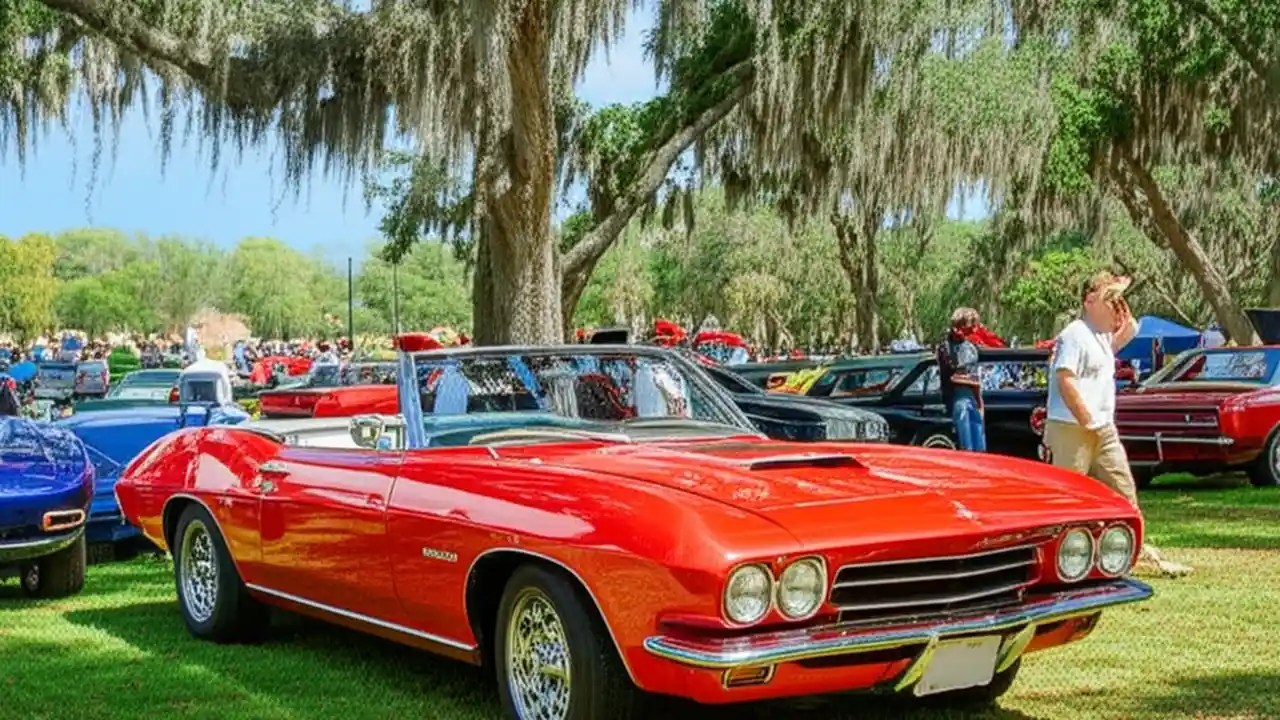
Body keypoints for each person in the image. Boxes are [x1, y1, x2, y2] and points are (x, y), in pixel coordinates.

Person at [1043, 271, 1191, 577]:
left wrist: (1121, 305)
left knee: (1124, 493)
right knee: (1066, 499)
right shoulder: (1074, 334)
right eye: (1108, 299)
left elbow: (1129, 330)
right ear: (1089, 301)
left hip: (1103, 429)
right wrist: (1087, 419)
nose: (1115, 305)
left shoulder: (1100, 337)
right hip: (1071, 428)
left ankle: (1130, 557)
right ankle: (1061, 563)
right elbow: (1066, 379)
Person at [937, 307, 986, 452]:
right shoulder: (946, 347)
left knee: (979, 444)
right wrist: (971, 381)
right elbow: (952, 376)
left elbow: (972, 376)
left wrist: (979, 401)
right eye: (971, 325)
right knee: (966, 445)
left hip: (971, 398)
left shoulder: (969, 347)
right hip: (960, 399)